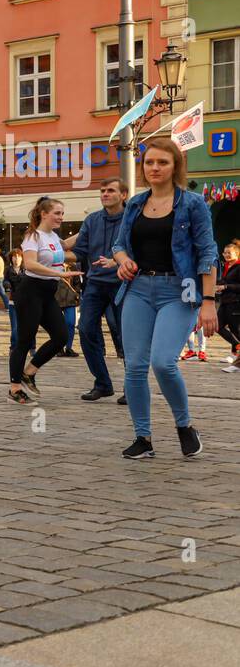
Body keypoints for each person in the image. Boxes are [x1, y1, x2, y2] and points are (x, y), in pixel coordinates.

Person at [112, 137, 218, 459]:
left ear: (175, 167)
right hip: (139, 290)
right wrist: (123, 261)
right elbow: (119, 245)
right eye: (149, 162)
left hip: (179, 291)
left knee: (162, 361)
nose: (155, 168)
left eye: (162, 162)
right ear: (143, 168)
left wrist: (209, 301)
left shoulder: (193, 203)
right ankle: (142, 438)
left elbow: (207, 252)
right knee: (134, 367)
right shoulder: (134, 204)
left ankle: (184, 425)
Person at [7, 198, 83, 404]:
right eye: (57, 213)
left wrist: (88, 226)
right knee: (24, 339)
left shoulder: (53, 237)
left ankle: (29, 372)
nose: (61, 217)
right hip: (30, 291)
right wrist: (59, 274)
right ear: (44, 214)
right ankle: (14, 389)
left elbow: (65, 249)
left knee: (61, 336)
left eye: (62, 214)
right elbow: (30, 264)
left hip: (48, 293)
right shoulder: (33, 236)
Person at [65, 176, 128, 402]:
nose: (105, 194)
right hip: (95, 284)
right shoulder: (92, 220)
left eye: (110, 190)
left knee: (124, 335)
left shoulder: (132, 218)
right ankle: (102, 383)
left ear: (123, 195)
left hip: (124, 284)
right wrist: (50, 254)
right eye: (102, 191)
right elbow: (79, 252)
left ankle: (132, 387)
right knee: (86, 328)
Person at [217, 240, 240, 373]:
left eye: (229, 253)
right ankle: (236, 345)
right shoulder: (225, 266)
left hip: (236, 303)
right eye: (224, 252)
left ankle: (236, 364)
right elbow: (223, 281)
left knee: (236, 331)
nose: (226, 255)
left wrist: (226, 286)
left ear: (237, 254)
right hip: (225, 302)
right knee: (217, 326)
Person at [56, 262, 82, 357]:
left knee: (70, 323)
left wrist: (77, 293)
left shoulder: (73, 266)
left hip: (70, 299)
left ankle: (68, 347)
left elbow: (77, 283)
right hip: (55, 299)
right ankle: (59, 348)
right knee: (58, 325)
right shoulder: (54, 265)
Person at [3, 248, 25, 352]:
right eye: (14, 257)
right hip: (13, 301)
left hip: (26, 302)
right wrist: (7, 285)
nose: (17, 259)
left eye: (19, 256)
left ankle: (31, 346)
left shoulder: (26, 269)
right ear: (11, 259)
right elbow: (5, 281)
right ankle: (14, 347)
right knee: (15, 327)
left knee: (28, 326)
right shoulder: (8, 269)